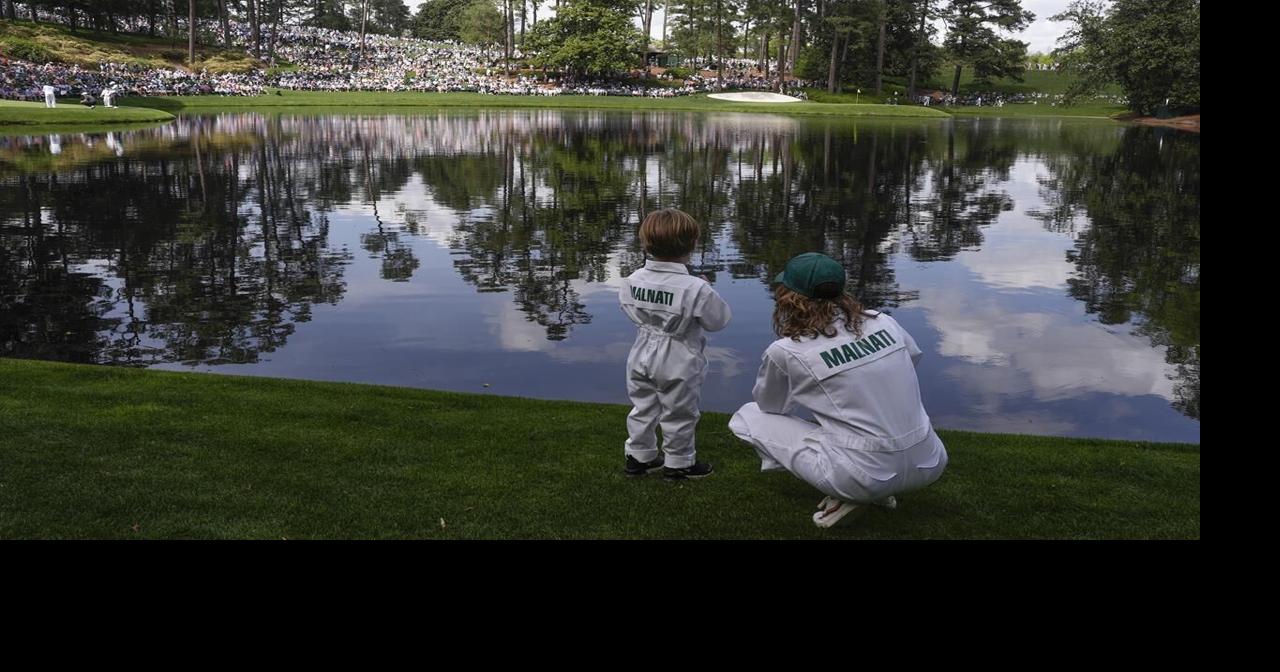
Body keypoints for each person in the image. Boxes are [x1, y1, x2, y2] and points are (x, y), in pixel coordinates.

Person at [728, 253, 948, 527]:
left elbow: (772, 407)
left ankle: (850, 491)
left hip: (861, 474)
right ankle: (875, 488)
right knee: (857, 423)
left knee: (747, 417)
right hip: (930, 459)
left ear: (788, 297)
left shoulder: (787, 350)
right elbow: (912, 359)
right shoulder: (883, 321)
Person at [619, 208, 732, 480]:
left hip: (641, 351)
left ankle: (639, 457)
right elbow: (718, 321)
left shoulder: (631, 280)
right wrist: (707, 289)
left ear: (646, 242)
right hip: (678, 355)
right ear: (691, 244)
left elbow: (628, 307)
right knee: (680, 411)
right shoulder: (695, 287)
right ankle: (679, 462)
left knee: (643, 406)